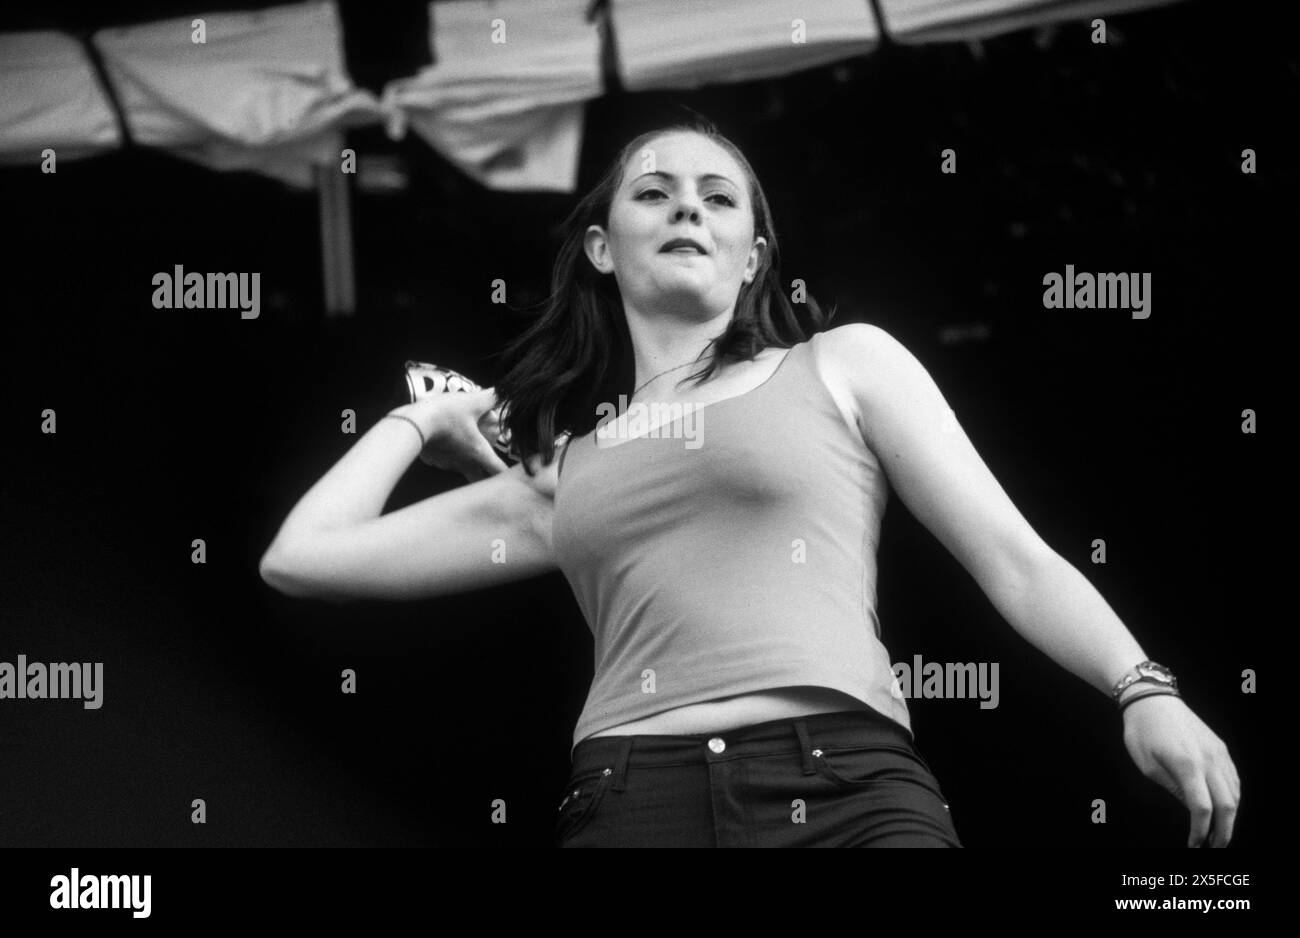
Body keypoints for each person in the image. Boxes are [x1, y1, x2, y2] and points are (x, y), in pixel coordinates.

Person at [259, 118, 1240, 848]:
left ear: (752, 256)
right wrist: (422, 420)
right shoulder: (565, 474)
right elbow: (301, 559)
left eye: (718, 197)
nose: (689, 204)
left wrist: (1137, 684)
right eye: (654, 191)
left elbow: (1015, 558)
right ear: (601, 248)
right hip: (630, 799)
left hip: (848, 784)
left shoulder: (843, 365)